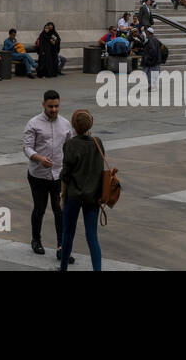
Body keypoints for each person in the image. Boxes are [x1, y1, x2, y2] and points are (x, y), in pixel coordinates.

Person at [23, 90, 72, 257]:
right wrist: (38, 158)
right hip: (38, 174)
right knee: (39, 209)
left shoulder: (65, 124)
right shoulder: (33, 123)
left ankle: (61, 246)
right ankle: (36, 240)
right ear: (43, 104)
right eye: (50, 106)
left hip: (59, 175)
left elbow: (69, 148)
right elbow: (27, 147)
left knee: (60, 210)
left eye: (57, 106)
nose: (54, 110)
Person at [58, 108, 105, 272]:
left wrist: (62, 197)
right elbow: (99, 170)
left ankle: (63, 268)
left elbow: (65, 175)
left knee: (68, 233)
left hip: (74, 195)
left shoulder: (70, 144)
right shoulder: (97, 143)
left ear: (73, 126)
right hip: (93, 196)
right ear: (90, 124)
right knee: (92, 236)